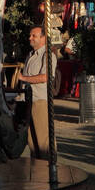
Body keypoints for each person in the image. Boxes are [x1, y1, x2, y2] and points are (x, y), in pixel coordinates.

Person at [20, 26, 56, 160]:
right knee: (32, 140)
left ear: (43, 38)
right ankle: (36, 168)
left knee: (43, 141)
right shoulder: (30, 55)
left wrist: (23, 78)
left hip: (40, 101)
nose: (30, 38)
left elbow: (45, 77)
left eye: (34, 36)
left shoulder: (48, 55)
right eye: (30, 35)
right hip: (28, 100)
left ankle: (48, 168)